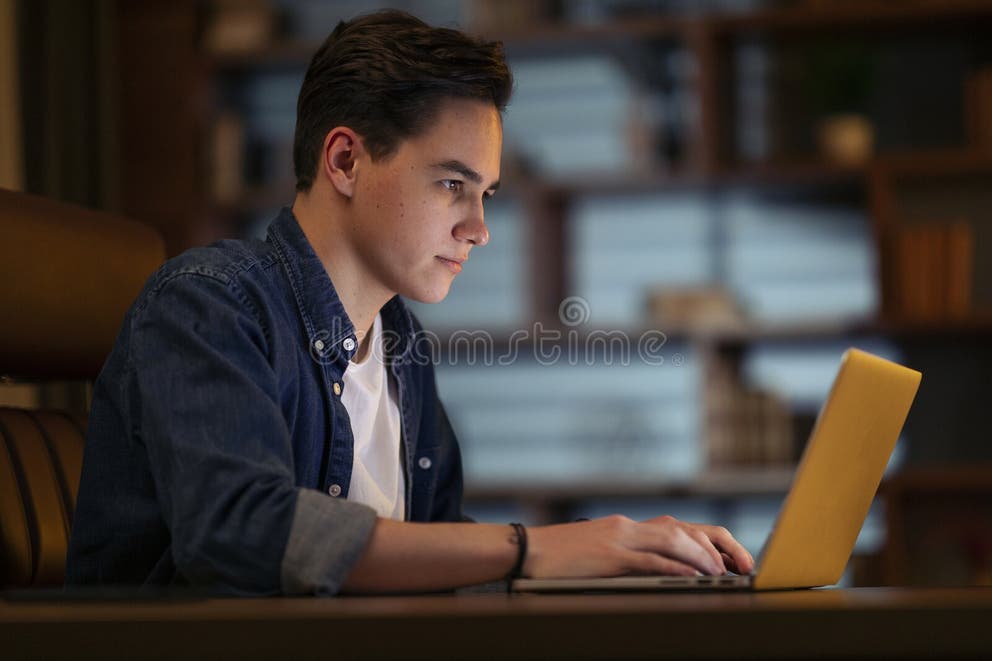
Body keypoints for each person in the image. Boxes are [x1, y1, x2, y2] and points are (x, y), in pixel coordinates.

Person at [66, 9, 753, 595]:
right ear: (345, 162)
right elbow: (244, 530)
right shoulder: (207, 305)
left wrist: (615, 564)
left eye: (485, 194)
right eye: (453, 184)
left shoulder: (400, 342)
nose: (479, 228)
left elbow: (434, 549)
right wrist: (533, 548)